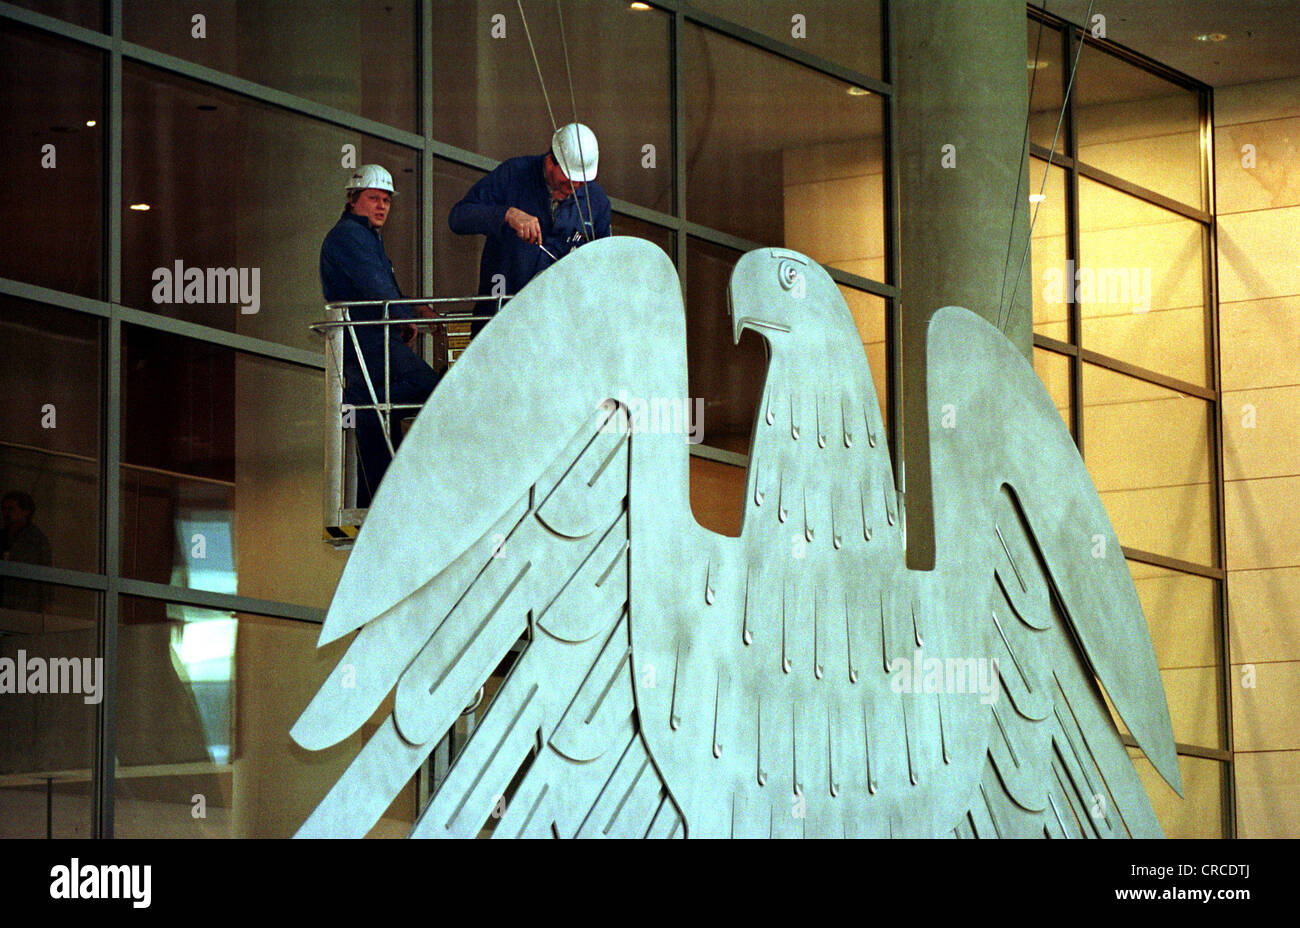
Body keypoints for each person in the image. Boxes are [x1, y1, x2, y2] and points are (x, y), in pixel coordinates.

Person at [321, 164, 445, 507]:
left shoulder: (364, 236)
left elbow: (385, 288)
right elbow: (377, 288)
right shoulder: (350, 236)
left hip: (372, 346)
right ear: (353, 199)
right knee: (434, 390)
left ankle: (376, 500)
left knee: (379, 416)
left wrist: (415, 310)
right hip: (370, 345)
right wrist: (406, 319)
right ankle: (415, 484)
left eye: (387, 200)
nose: (382, 206)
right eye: (374, 198)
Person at [449, 123, 611, 335]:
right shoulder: (513, 175)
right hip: (500, 325)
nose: (573, 188)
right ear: (551, 160)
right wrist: (507, 214)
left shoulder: (596, 201)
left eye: (581, 183)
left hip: (560, 331)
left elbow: (603, 268)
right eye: (568, 180)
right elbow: (459, 218)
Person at [1, 490, 52, 613]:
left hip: (24, 606)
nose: (6, 513)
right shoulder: (2, 537)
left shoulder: (37, 541)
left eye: (11, 509)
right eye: (4, 509)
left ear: (26, 511)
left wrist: (46, 605)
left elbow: (46, 574)